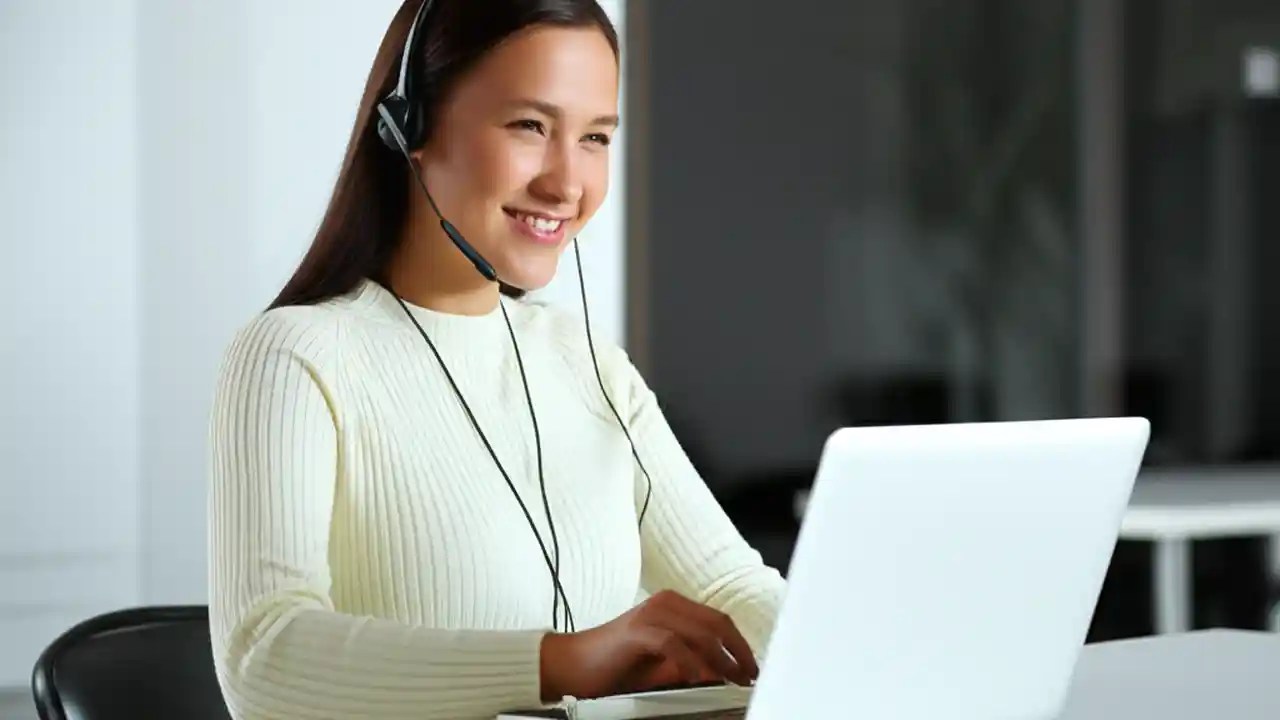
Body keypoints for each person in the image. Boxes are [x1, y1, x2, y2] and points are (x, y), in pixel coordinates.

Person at [207, 1, 786, 718]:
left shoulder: (584, 363)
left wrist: (849, 645)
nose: (566, 183)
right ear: (410, 126)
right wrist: (565, 661)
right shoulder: (295, 358)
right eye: (530, 127)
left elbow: (732, 588)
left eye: (596, 137)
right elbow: (265, 657)